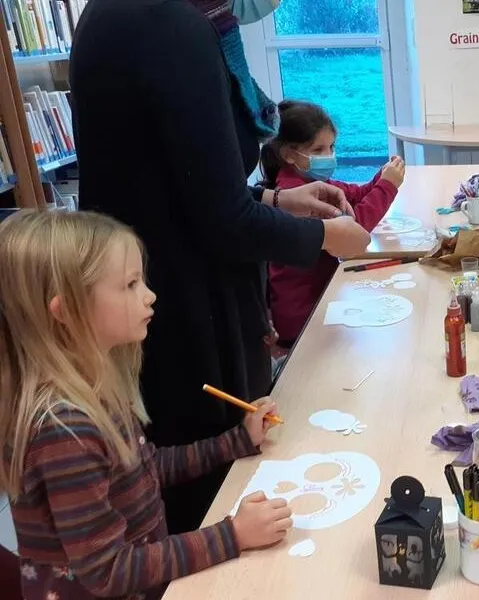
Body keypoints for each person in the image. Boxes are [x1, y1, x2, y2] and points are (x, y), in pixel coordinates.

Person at [69, 0, 370, 533]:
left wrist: (278, 202)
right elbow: (220, 219)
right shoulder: (168, 28)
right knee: (215, 501)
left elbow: (182, 189)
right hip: (185, 321)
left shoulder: (120, 15)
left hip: (163, 299)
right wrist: (324, 236)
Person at [0, 211, 294, 600]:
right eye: (130, 284)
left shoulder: (95, 391)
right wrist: (232, 534)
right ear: (66, 311)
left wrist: (237, 441)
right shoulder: (63, 431)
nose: (149, 294)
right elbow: (108, 571)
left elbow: (145, 469)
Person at [262, 100, 406, 347]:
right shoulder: (294, 195)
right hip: (301, 318)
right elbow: (352, 233)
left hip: (318, 302)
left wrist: (382, 177)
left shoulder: (307, 180)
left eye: (331, 147)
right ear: (288, 154)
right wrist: (387, 186)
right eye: (318, 150)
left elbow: (356, 194)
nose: (328, 156)